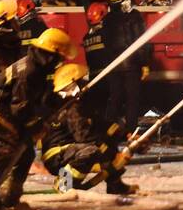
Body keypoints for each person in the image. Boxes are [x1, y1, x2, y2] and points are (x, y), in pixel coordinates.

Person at [0, 26, 76, 209]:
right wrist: (35, 126)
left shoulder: (38, 68)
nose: (60, 62)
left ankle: (8, 198)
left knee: (25, 153)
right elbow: (20, 107)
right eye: (60, 57)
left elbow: (44, 98)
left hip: (4, 114)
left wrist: (65, 99)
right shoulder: (29, 71)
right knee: (2, 154)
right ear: (51, 54)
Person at [40, 63, 134, 195]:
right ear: (75, 84)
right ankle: (64, 184)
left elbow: (100, 124)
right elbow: (83, 136)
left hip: (67, 150)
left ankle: (115, 185)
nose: (86, 83)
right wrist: (112, 155)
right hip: (57, 155)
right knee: (92, 149)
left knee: (106, 141)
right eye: (82, 80)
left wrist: (126, 134)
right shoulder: (72, 107)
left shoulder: (79, 104)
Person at [100, 0, 150, 131]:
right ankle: (130, 131)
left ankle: (108, 130)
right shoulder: (135, 17)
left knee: (114, 99)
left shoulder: (107, 20)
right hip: (132, 66)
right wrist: (145, 63)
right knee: (132, 100)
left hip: (113, 67)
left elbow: (105, 43)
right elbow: (140, 42)